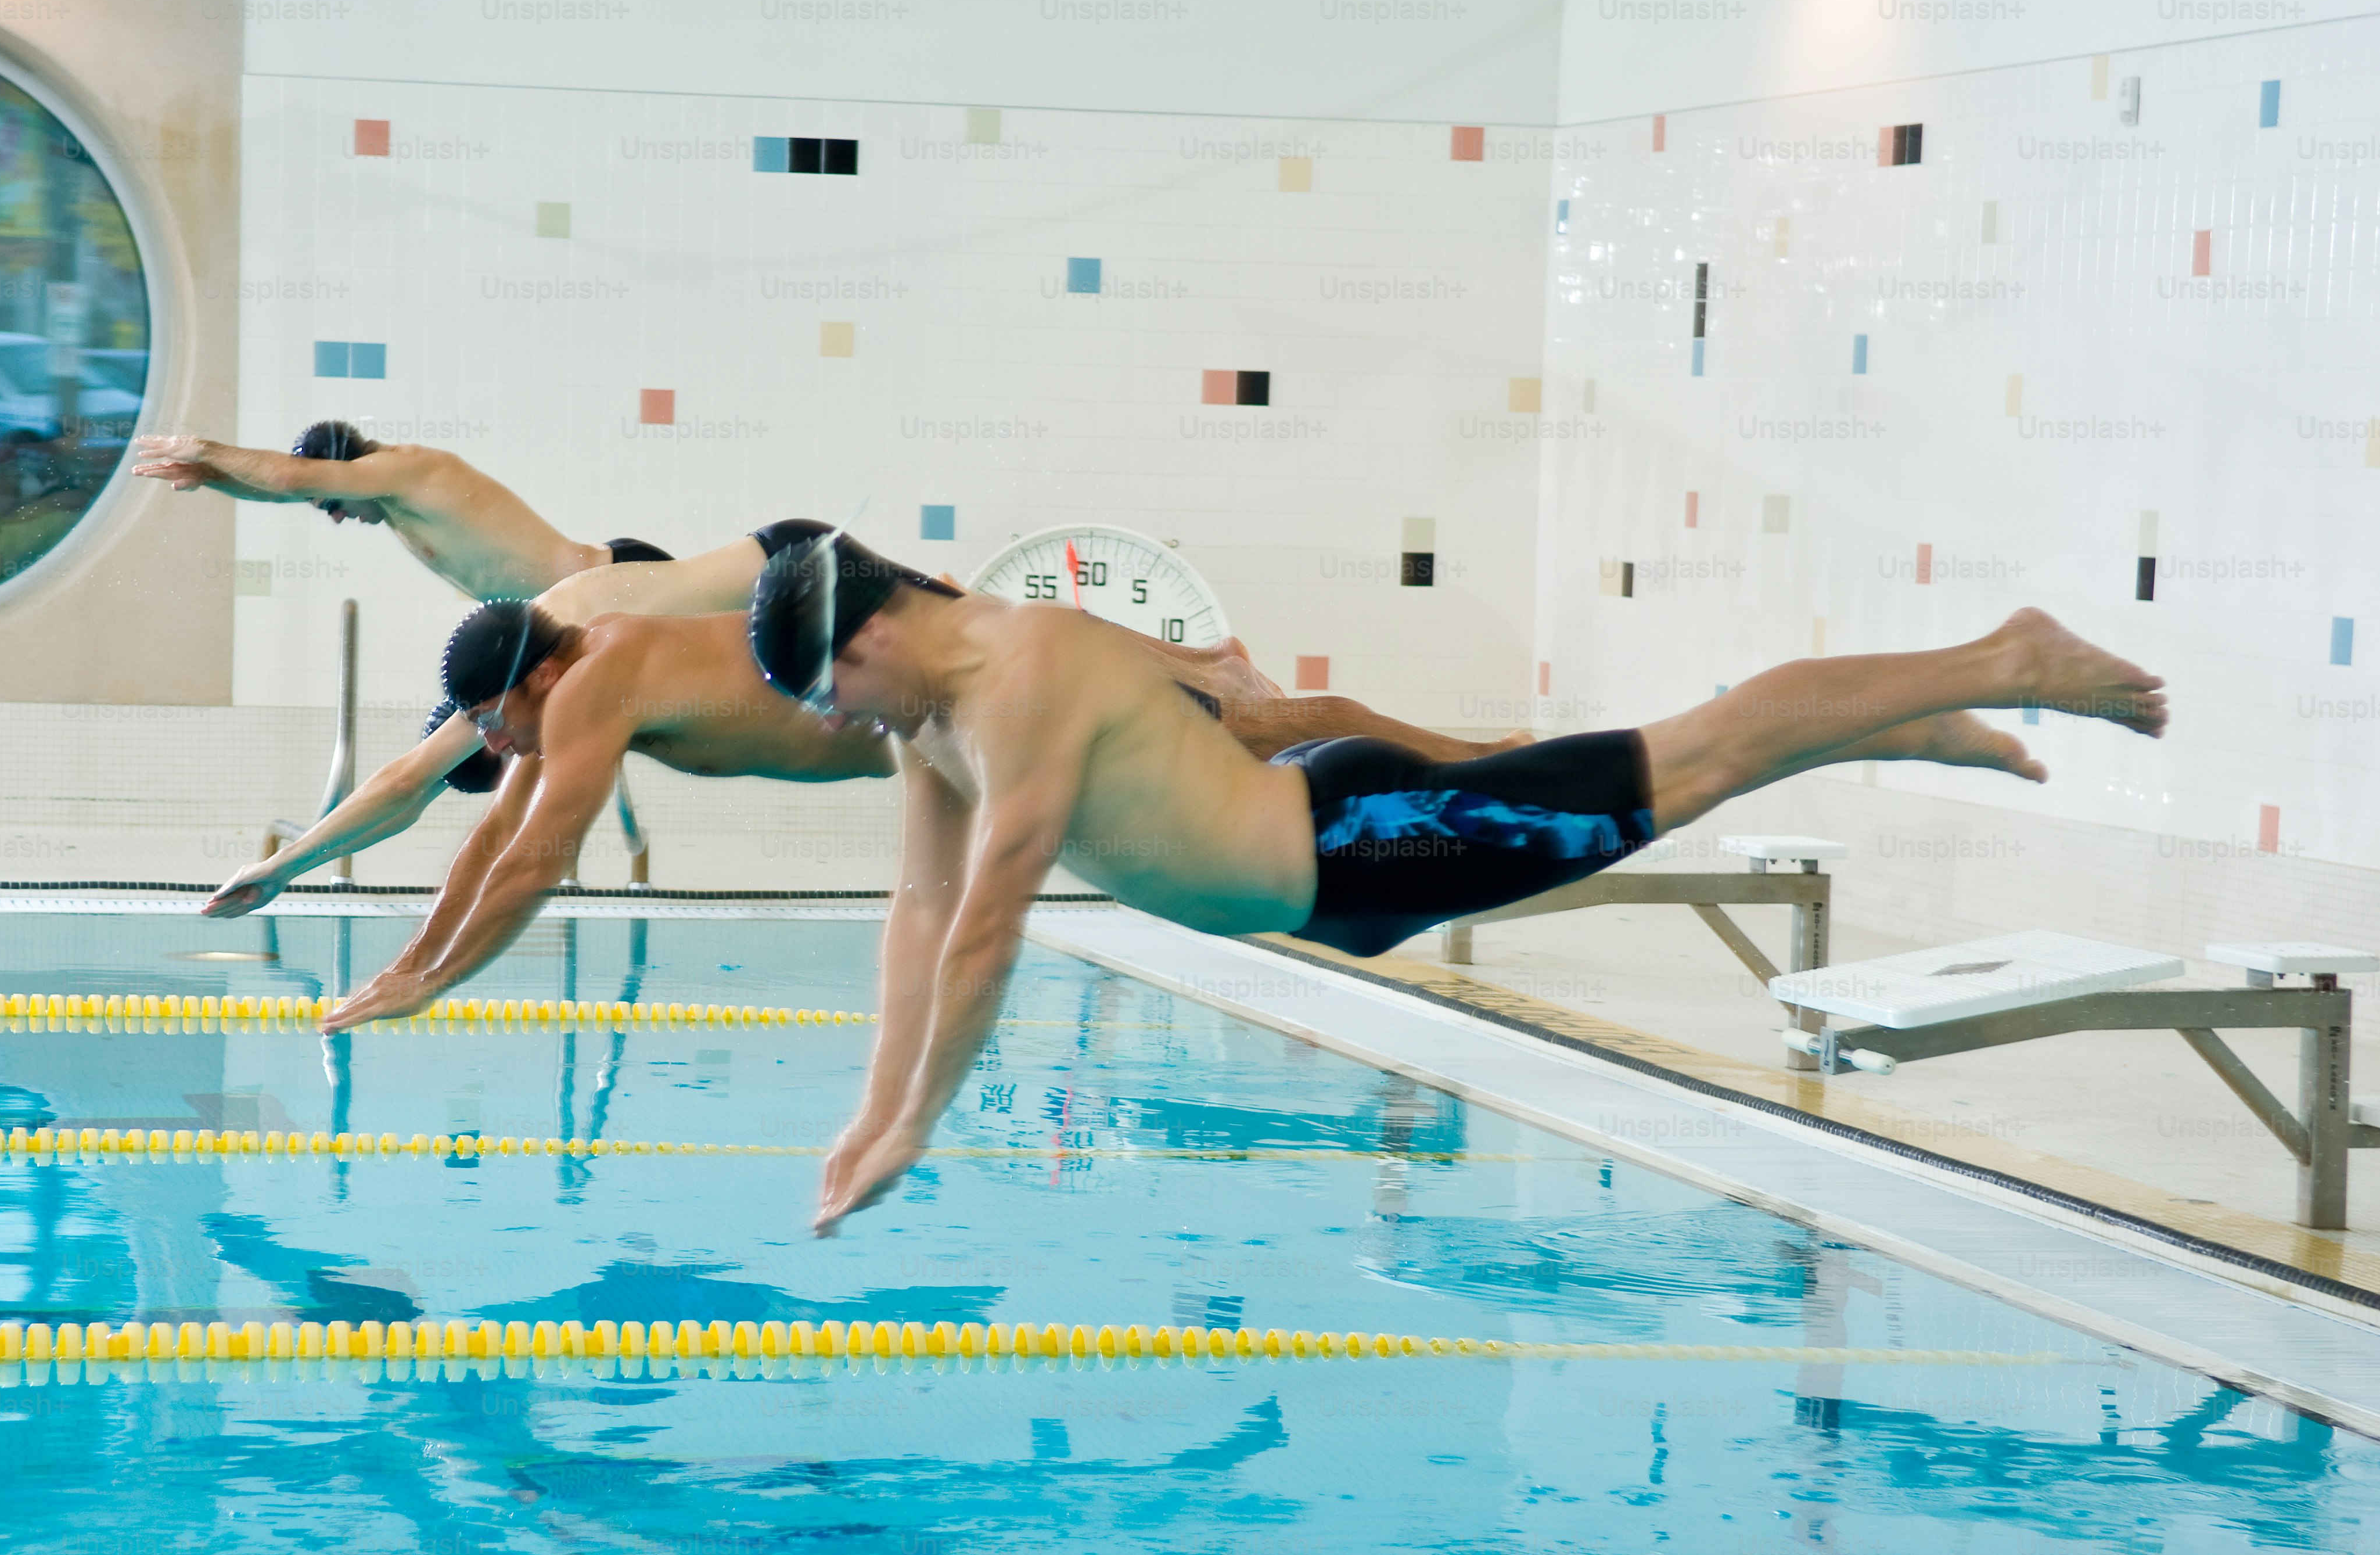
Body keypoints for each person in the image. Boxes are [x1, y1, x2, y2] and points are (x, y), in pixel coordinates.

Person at [738, 531, 2169, 1235]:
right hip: (1340, 866)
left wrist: (916, 1125)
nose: (837, 717)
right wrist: (870, 1110)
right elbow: (917, 918)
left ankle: (2003, 658)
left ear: (877, 625)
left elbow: (990, 921)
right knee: (1689, 769)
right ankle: (1897, 716)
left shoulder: (1023, 671)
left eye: (829, 685)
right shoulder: (928, 724)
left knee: (1698, 749)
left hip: (1376, 835)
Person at [204, 520, 1516, 916]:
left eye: (497, 744)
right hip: (806, 583)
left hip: (827, 589)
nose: (496, 759)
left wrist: (288, 865)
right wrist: (282, 862)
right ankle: (1203, 668)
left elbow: (425, 793)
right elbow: (413, 785)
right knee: (1215, 707)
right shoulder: (547, 635)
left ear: (519, 701)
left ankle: (1464, 754)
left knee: (1251, 720)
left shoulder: (574, 659)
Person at [130, 421, 711, 613]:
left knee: (764, 653)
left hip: (616, 584)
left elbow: (287, 477)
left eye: (331, 502)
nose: (333, 517)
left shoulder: (403, 470)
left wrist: (204, 449)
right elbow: (282, 491)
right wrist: (215, 480)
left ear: (345, 471)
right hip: (579, 609)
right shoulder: (385, 498)